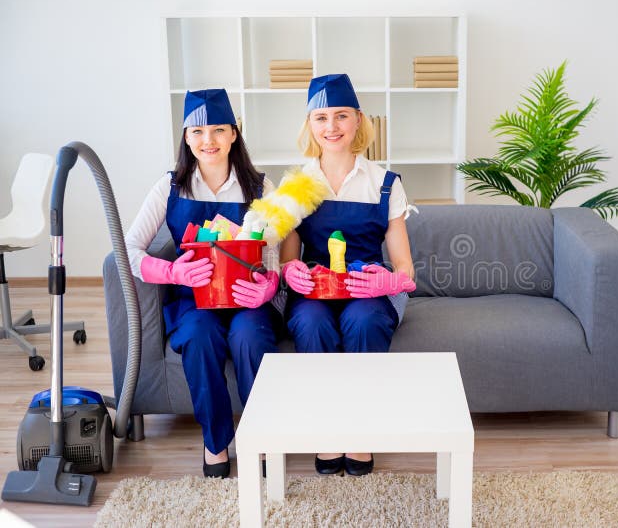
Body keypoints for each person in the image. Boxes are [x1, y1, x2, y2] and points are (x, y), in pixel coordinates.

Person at [126, 89, 282, 478]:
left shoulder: (262, 188)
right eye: (196, 132)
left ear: (234, 133)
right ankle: (216, 441)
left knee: (249, 338)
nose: (207, 141)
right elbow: (127, 251)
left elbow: (277, 253)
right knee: (199, 335)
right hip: (194, 302)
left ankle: (259, 436)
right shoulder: (169, 187)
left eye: (217, 130)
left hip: (249, 301)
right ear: (185, 136)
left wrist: (270, 285)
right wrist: (172, 273)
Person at [280, 74, 416, 476]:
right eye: (321, 118)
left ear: (358, 121)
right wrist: (292, 273)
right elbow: (288, 259)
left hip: (367, 288)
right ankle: (325, 431)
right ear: (310, 126)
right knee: (309, 322)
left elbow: (405, 269)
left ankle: (361, 432)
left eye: (341, 116)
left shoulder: (385, 184)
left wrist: (388, 281)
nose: (332, 127)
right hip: (315, 291)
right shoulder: (297, 184)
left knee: (364, 319)